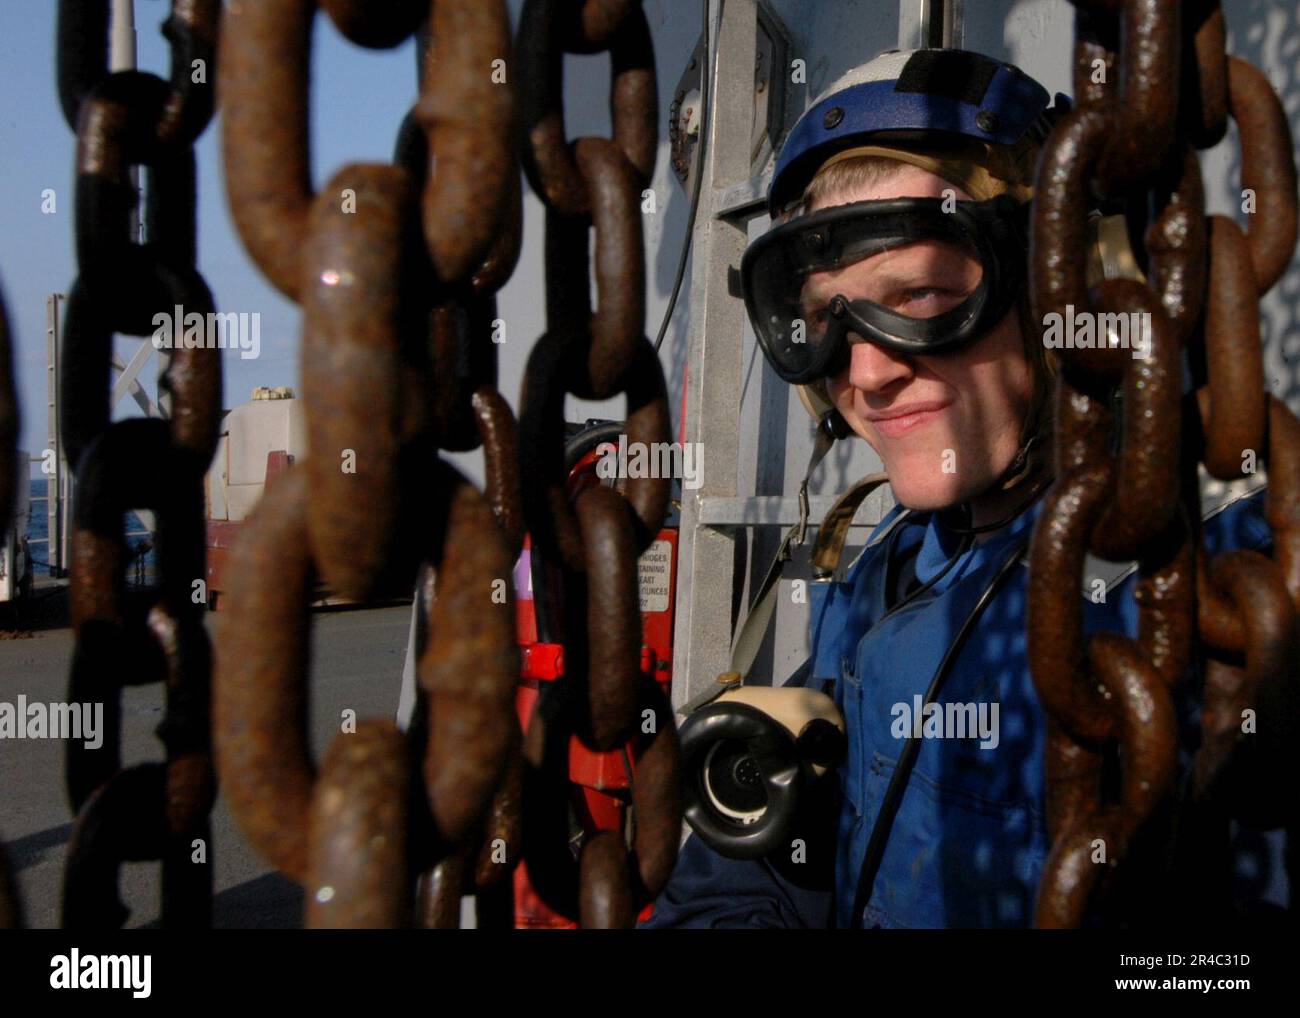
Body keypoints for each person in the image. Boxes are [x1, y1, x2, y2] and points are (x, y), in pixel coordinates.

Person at [640, 47, 1275, 929]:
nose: (865, 370)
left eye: (926, 296)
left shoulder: (1226, 591)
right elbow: (761, 875)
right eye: (825, 319)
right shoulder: (891, 568)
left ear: (1066, 283)